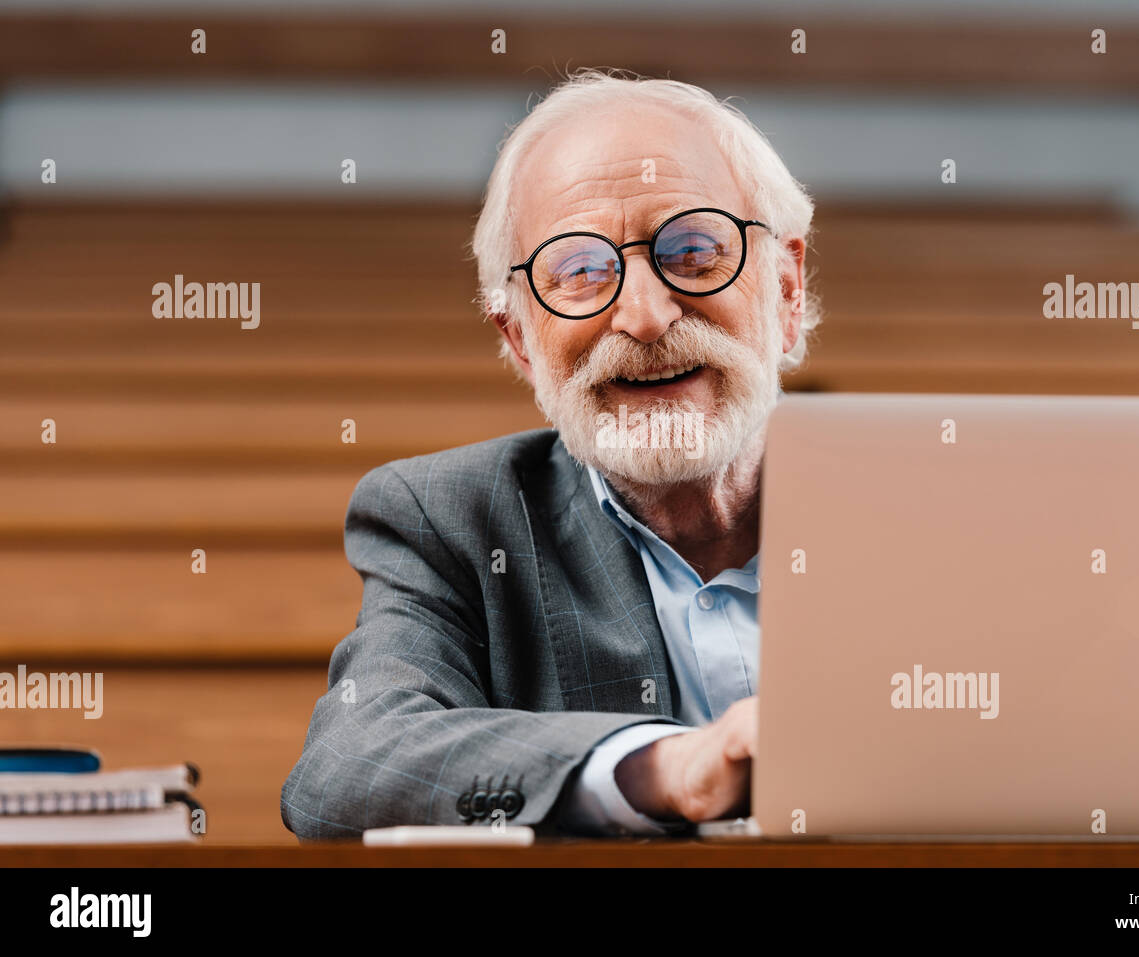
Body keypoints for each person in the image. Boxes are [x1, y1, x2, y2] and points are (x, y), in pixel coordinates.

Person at [281, 69, 818, 838]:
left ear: (787, 289)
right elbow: (346, 767)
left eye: (694, 250)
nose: (643, 315)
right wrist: (662, 766)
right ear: (523, 342)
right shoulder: (449, 520)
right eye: (581, 270)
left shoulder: (937, 503)